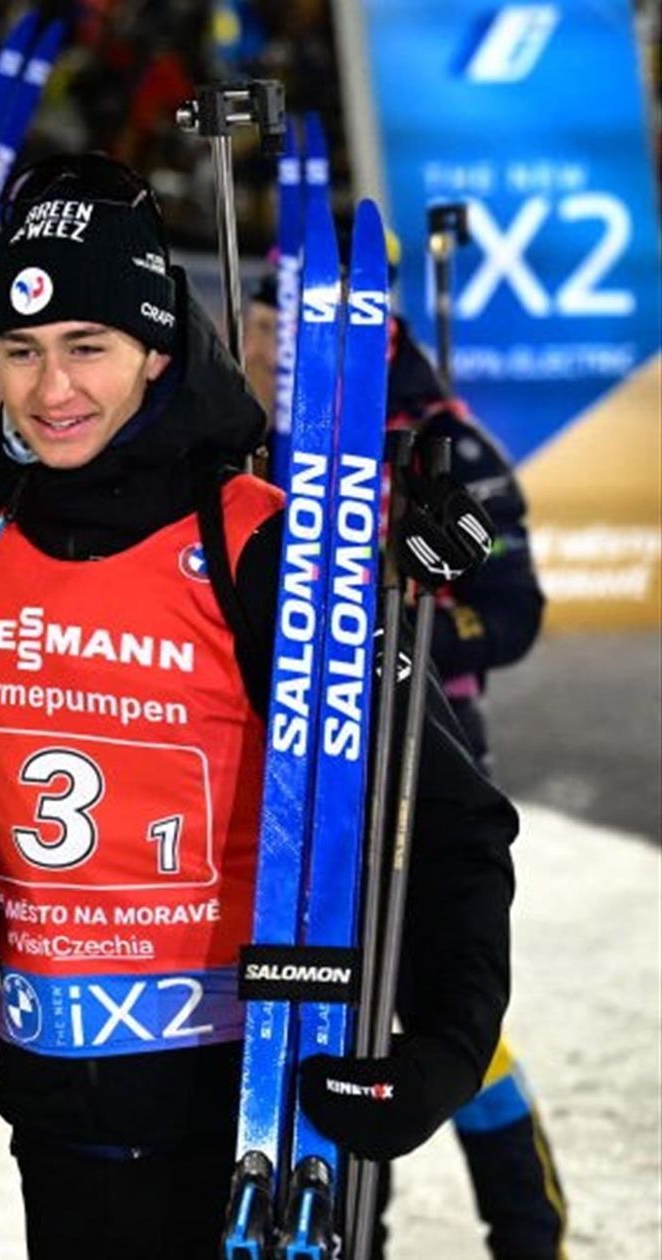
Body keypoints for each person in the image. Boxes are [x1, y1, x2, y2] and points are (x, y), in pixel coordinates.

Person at [0, 153, 520, 1258]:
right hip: (53, 1108)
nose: (51, 392)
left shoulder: (259, 544)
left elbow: (451, 823)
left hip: (253, 1120)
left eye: (89, 348)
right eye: (22, 353)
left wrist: (448, 1048)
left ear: (157, 353)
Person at [244, 287, 566, 1260]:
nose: (258, 349)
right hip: (311, 766)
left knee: (437, 1015)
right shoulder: (254, 444)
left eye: (273, 332)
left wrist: (392, 634)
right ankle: (350, 1229)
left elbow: (513, 608)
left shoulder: (440, 443)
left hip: (430, 761)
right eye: (256, 332)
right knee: (338, 1023)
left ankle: (527, 1217)